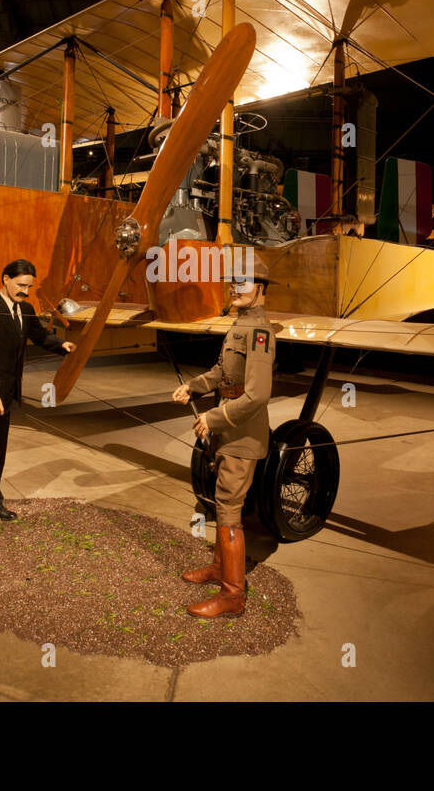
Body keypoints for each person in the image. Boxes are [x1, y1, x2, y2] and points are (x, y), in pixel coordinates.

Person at [172, 253, 277, 618]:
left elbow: (258, 395)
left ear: (259, 290)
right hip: (228, 431)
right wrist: (194, 387)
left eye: (243, 281)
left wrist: (215, 418)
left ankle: (233, 595)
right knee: (221, 503)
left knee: (229, 507)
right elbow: (222, 371)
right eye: (233, 281)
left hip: (241, 434)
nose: (235, 286)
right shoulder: (240, 326)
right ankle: (221, 569)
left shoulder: (260, 334)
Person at [0, 259, 75, 525]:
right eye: (21, 285)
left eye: (29, 287)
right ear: (6, 279)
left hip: (7, 396)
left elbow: (40, 336)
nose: (25, 291)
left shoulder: (26, 309)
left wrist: (62, 345)